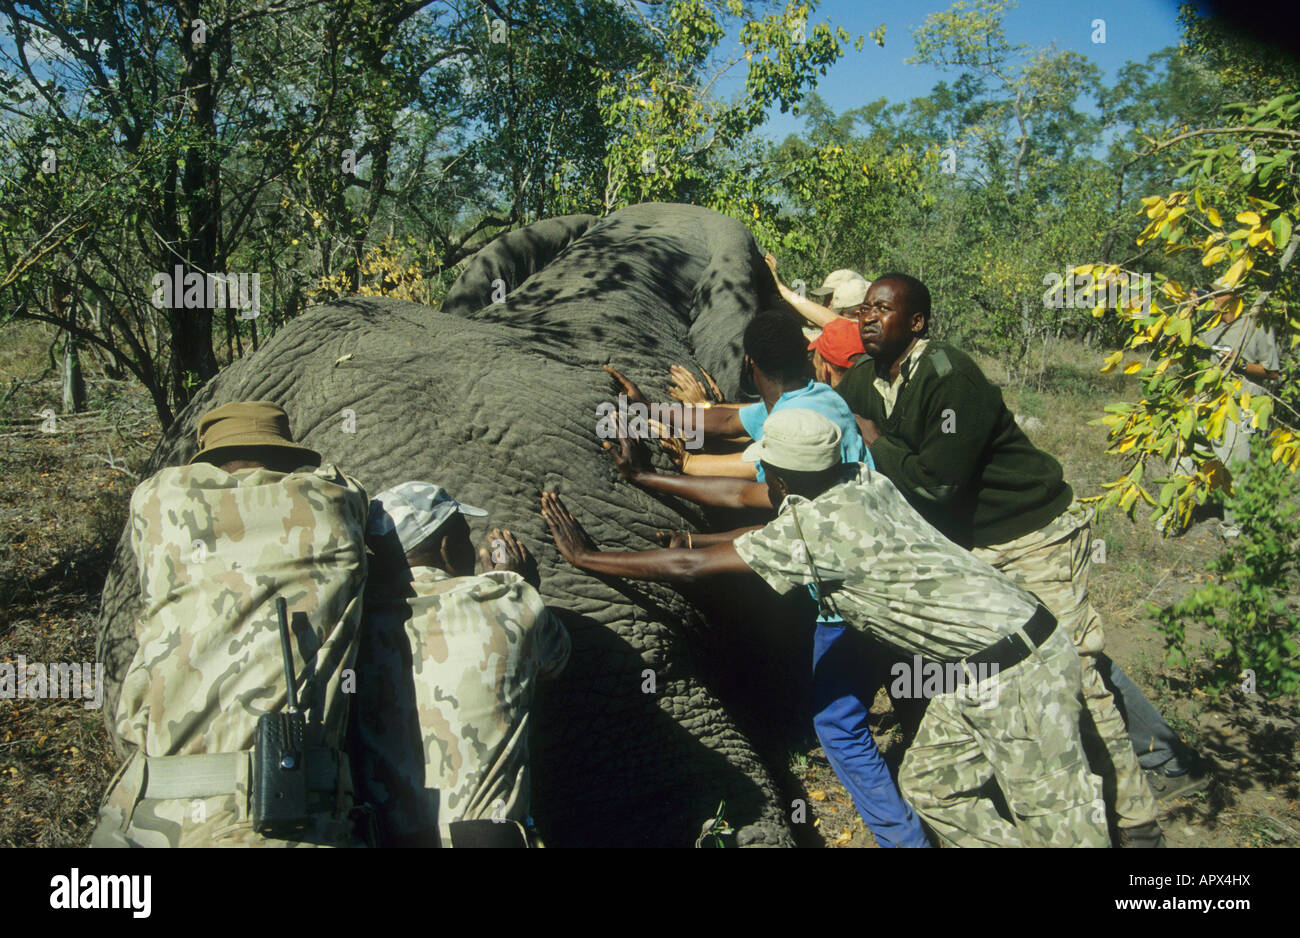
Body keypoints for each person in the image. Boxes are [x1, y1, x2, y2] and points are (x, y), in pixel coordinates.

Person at [542, 409, 1111, 847]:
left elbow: (692, 566)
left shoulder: (819, 530)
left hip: (1018, 671)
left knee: (1062, 829)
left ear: (786, 475)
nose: (762, 472)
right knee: (936, 787)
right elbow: (751, 501)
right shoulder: (863, 481)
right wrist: (650, 481)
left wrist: (591, 559)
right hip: (984, 662)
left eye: (770, 466)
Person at [833, 273, 1180, 842]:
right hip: (974, 553)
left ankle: (1136, 824)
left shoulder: (951, 377)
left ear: (916, 322)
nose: (868, 317)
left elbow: (938, 484)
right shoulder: (867, 379)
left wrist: (873, 440)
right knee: (989, 681)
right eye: (865, 308)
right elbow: (823, 419)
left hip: (1032, 536)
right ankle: (1030, 797)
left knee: (1078, 678)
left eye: (883, 309)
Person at [93, 401, 369, 847]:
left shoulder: (155, 502)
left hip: (151, 813)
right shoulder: (338, 505)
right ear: (288, 460)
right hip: (285, 814)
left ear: (208, 461)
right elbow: (344, 485)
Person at [354, 482, 570, 848]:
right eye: (465, 536)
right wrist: (517, 583)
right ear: (445, 545)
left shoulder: (356, 622)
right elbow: (557, 659)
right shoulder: (508, 600)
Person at [764, 253, 870, 330]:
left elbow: (827, 320)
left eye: (831, 297)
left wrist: (781, 288)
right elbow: (810, 317)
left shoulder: (863, 332)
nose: (827, 305)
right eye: (826, 298)